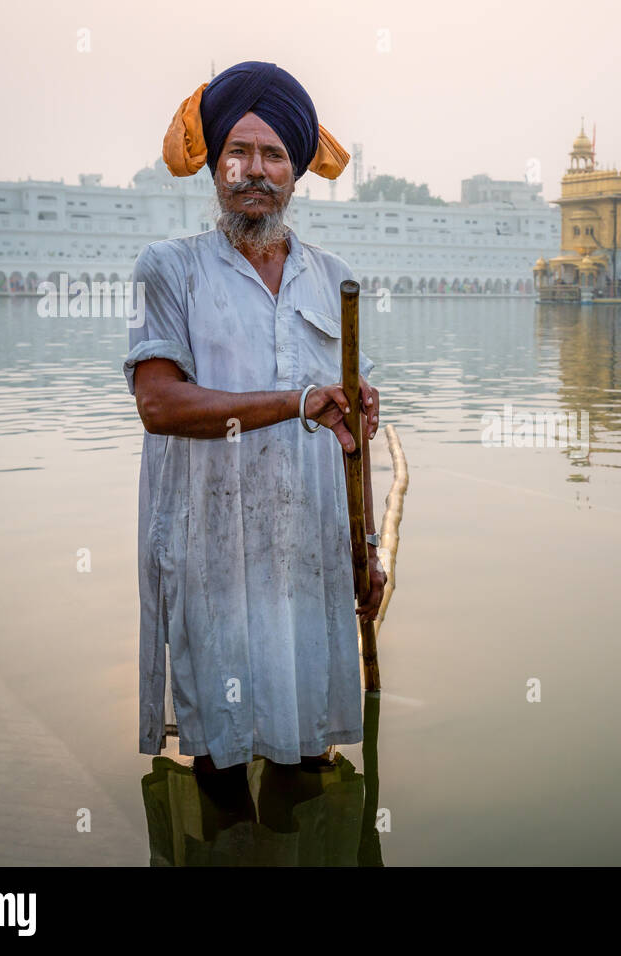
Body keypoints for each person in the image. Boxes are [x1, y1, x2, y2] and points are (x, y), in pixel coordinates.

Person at [124, 61, 385, 776]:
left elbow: (348, 434)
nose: (254, 171)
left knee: (308, 758)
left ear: (296, 171)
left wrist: (365, 545)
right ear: (213, 164)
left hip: (311, 554)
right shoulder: (169, 270)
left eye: (273, 155)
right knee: (223, 765)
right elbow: (158, 404)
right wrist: (298, 401)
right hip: (210, 551)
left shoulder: (333, 278)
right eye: (237, 152)